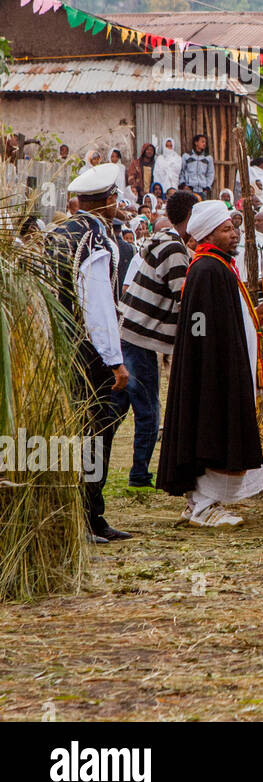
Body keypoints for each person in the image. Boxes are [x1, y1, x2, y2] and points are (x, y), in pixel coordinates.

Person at [158, 200, 263, 526]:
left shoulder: (218, 266)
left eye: (234, 228)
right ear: (208, 234)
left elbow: (228, 317)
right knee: (212, 425)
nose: (234, 234)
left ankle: (199, 501)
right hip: (214, 370)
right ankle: (205, 505)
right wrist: (221, 368)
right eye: (227, 230)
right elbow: (208, 331)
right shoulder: (209, 269)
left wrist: (256, 317)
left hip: (218, 365)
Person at [44, 163, 132, 543]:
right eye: (116, 199)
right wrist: (114, 361)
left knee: (78, 433)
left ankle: (88, 517)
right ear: (109, 201)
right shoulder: (95, 239)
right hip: (88, 350)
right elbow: (97, 305)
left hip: (59, 344)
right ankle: (88, 517)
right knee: (95, 432)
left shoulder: (60, 231)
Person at [117, 190, 199, 488]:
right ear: (190, 218)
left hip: (128, 333)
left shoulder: (163, 241)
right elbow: (186, 298)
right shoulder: (175, 249)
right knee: (149, 411)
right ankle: (140, 475)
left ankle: (118, 473)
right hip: (140, 339)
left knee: (116, 408)